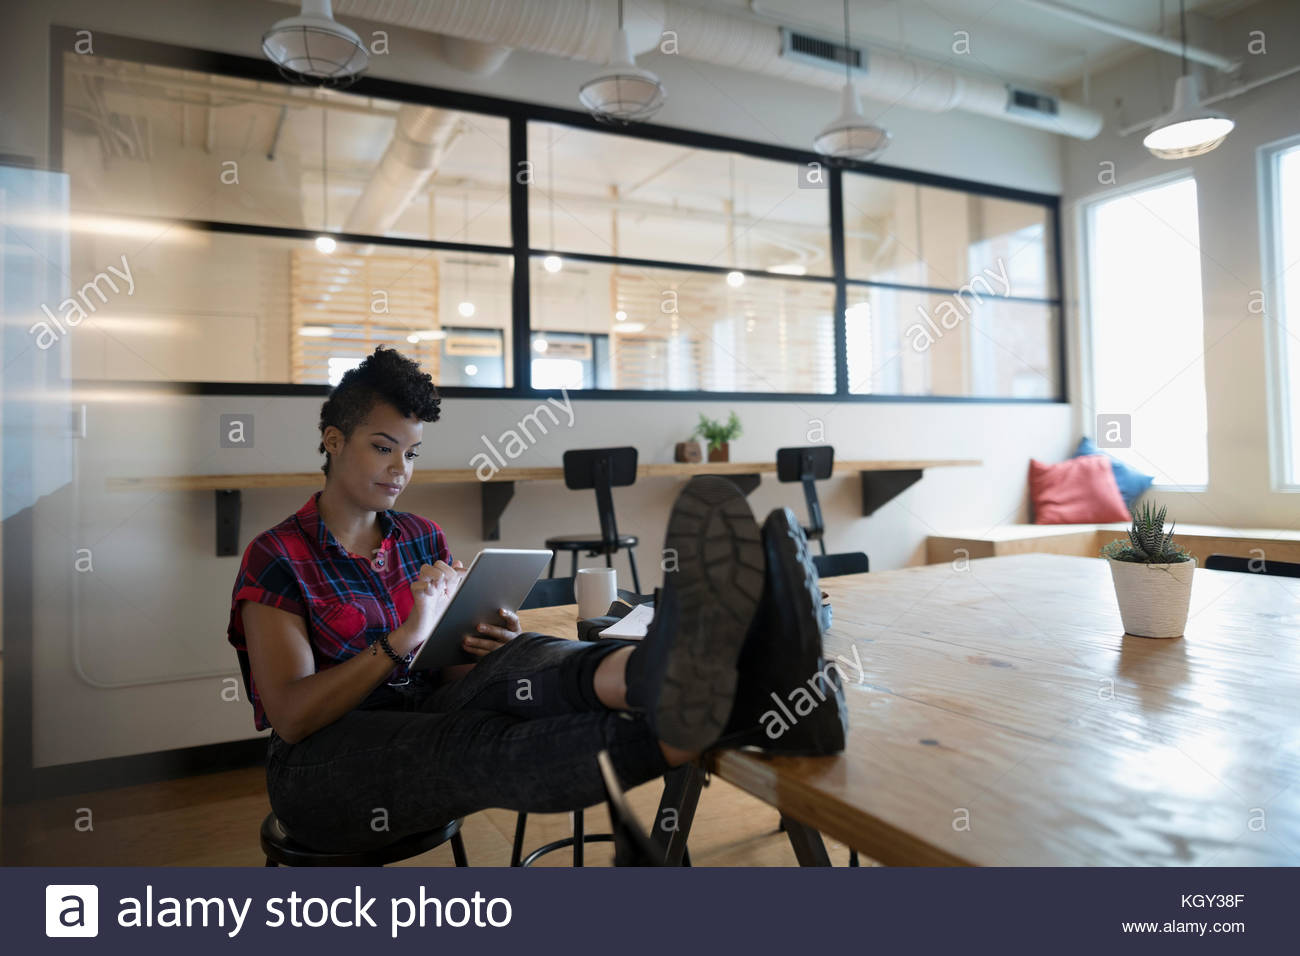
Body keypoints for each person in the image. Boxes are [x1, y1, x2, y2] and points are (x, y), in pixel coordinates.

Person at [227, 345, 847, 854]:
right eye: (382, 447)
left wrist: (476, 642)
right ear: (333, 440)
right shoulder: (278, 557)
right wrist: (406, 639)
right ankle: (739, 702)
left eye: (411, 453)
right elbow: (294, 717)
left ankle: (707, 674)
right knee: (470, 741)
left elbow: (456, 674)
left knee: (520, 659)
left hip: (422, 715)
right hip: (318, 771)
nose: (400, 469)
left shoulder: (421, 538)